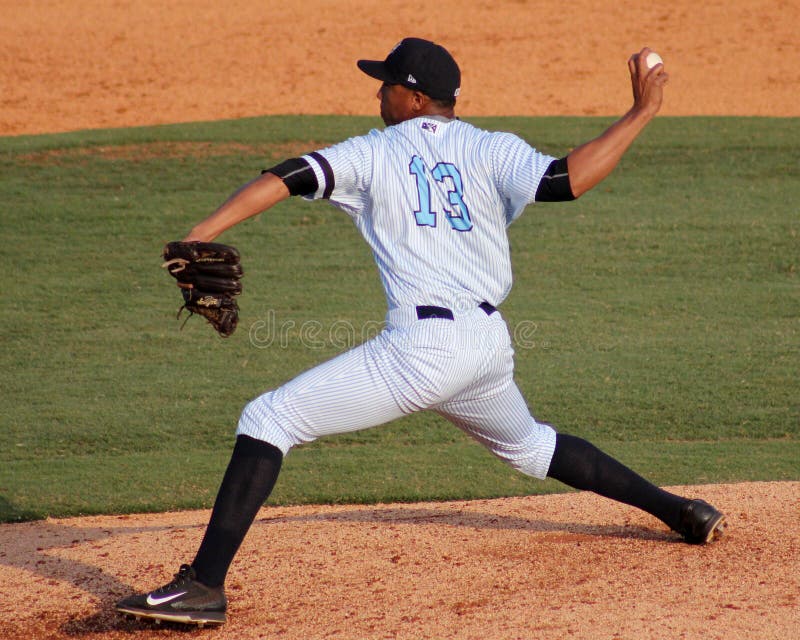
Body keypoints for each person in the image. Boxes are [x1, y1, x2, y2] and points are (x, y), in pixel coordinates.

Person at [116, 37, 725, 627]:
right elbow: (568, 180)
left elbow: (288, 175)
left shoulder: (373, 152)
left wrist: (201, 232)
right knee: (532, 446)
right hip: (487, 346)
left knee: (269, 418)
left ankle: (203, 587)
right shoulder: (492, 148)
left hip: (424, 351)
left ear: (412, 97)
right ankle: (682, 512)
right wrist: (641, 113)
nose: (377, 94)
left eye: (386, 84)